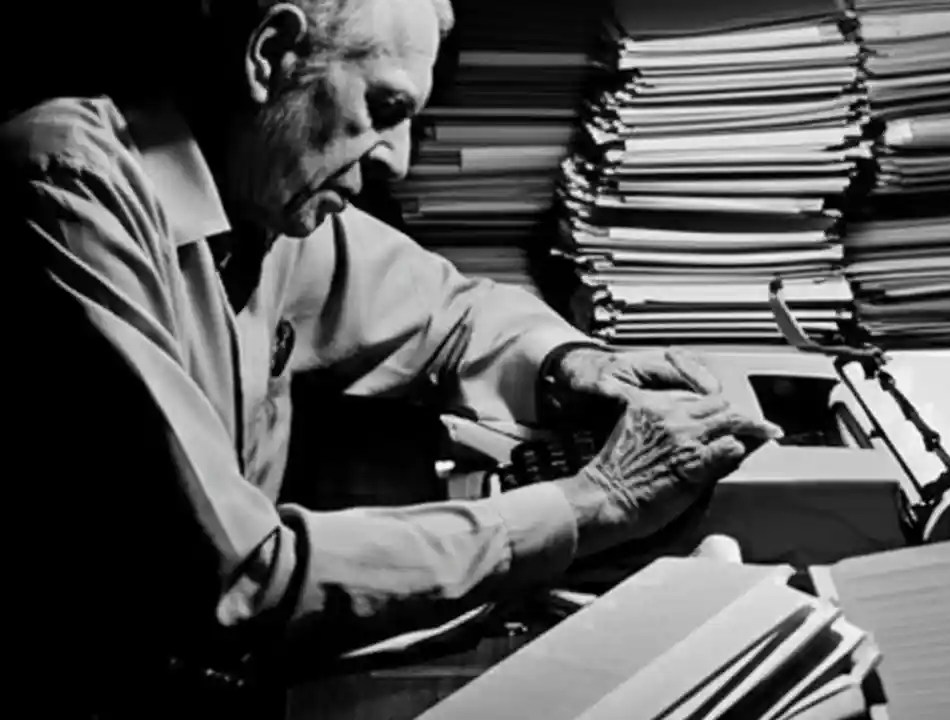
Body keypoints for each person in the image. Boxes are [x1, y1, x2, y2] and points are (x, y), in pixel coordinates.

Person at [2, 0, 779, 714]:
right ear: (270, 54)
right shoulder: (68, 188)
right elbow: (242, 577)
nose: (398, 160)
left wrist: (573, 366)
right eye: (385, 108)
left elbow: (448, 311)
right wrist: (592, 503)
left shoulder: (261, 193)